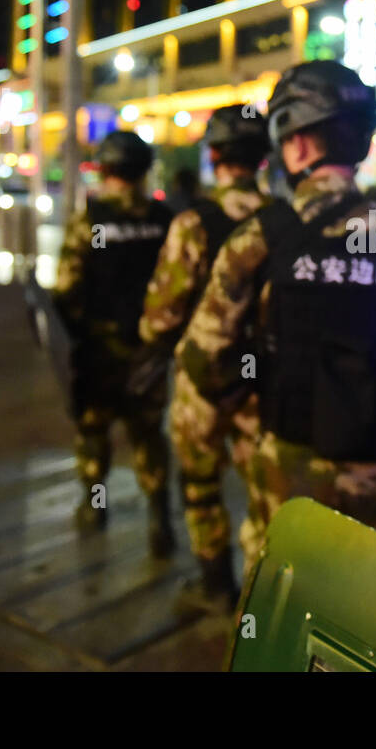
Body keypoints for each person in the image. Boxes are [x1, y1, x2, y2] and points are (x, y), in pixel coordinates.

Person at [179, 60, 376, 571]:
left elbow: (204, 356)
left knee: (280, 606)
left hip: (287, 475)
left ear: (294, 144)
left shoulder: (260, 235)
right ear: (359, 145)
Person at [138, 105, 272, 604]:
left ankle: (215, 582)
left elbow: (162, 315)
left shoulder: (194, 223)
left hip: (202, 380)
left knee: (199, 478)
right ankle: (260, 599)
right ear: (264, 157)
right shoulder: (283, 221)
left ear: (213, 154)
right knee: (263, 491)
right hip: (263, 380)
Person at [52, 131, 176, 555]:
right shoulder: (165, 219)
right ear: (144, 170)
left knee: (93, 430)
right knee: (148, 435)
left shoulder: (91, 219)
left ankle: (94, 507)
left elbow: (66, 287)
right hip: (148, 351)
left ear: (104, 169)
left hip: (98, 350)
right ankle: (160, 519)